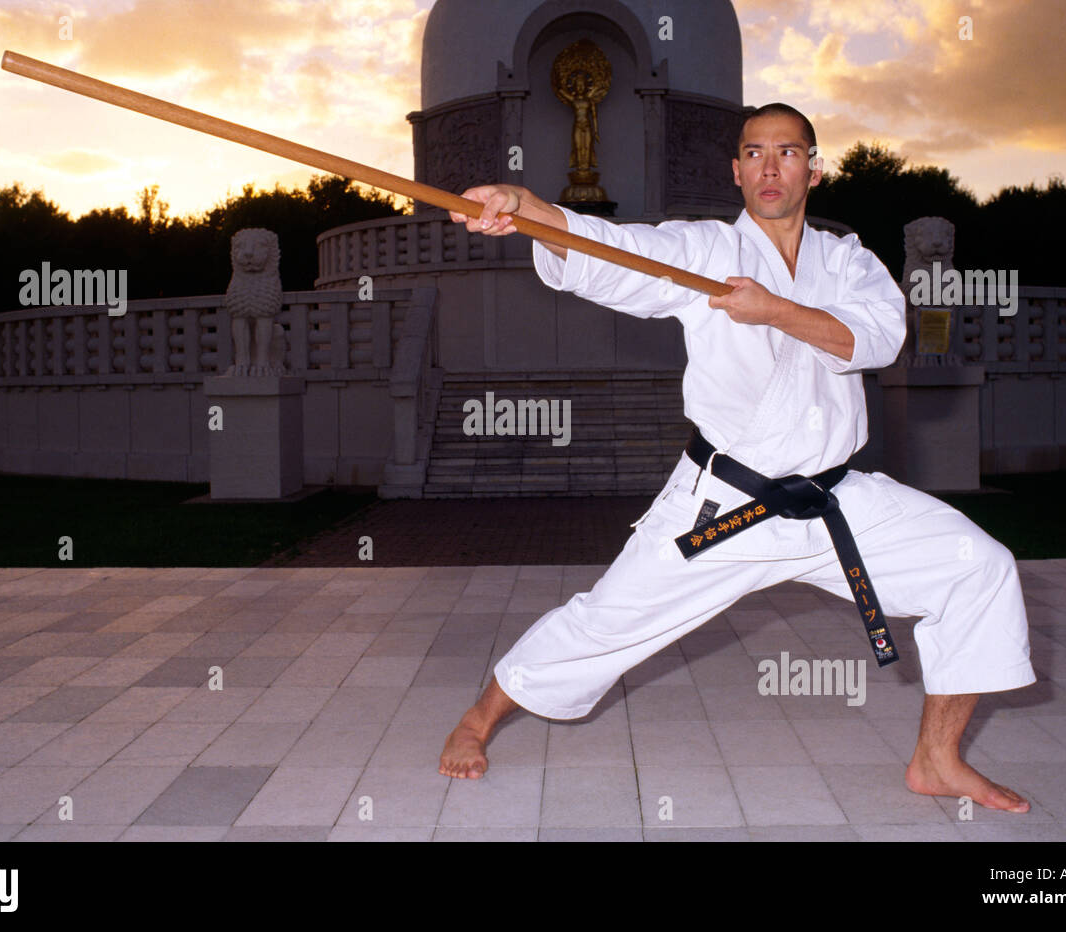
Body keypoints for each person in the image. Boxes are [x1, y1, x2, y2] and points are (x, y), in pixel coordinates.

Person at [438, 103, 1035, 814]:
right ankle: (478, 718)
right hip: (726, 503)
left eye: (787, 152)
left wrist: (775, 311)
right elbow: (614, 253)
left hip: (832, 499)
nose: (770, 166)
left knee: (980, 568)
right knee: (603, 623)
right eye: (754, 152)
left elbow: (875, 341)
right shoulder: (706, 251)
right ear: (736, 170)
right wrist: (529, 207)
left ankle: (937, 759)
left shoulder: (847, 260)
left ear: (814, 168)